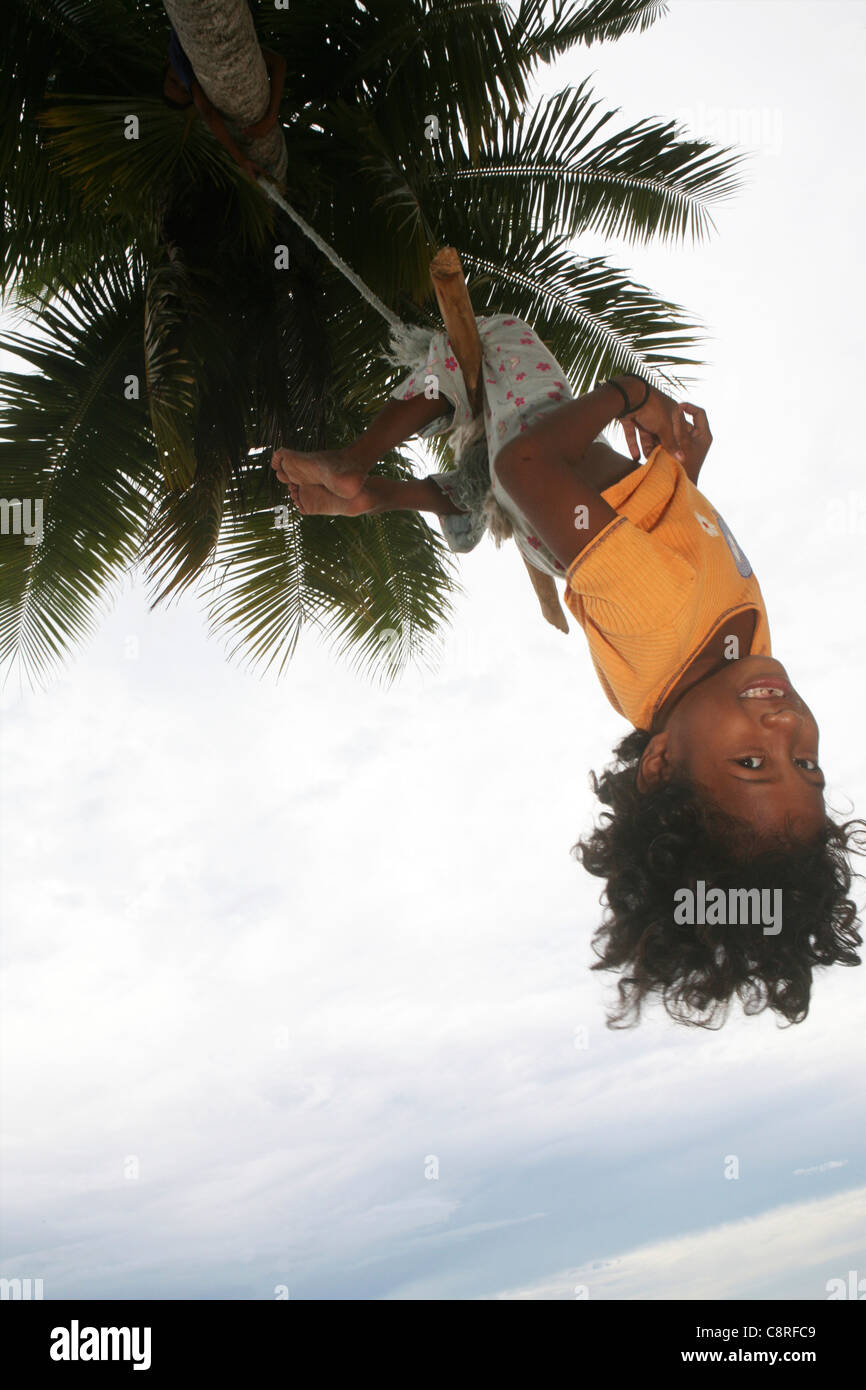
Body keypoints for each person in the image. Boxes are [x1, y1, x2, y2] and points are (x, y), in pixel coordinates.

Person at [271, 315, 864, 1030]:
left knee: (491, 345)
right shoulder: (713, 672)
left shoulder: (663, 620)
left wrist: (627, 393)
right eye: (807, 765)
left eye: (751, 761)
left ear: (665, 760)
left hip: (543, 472)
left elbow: (524, 469)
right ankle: (387, 498)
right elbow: (667, 547)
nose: (785, 726)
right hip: (572, 523)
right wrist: (684, 478)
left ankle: (355, 462)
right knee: (496, 484)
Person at [162, 28, 286, 183]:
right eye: (185, 91)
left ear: (167, 63)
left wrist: (240, 160)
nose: (182, 82)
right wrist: (271, 117)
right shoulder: (217, 70)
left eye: (174, 81)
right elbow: (277, 62)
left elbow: (208, 113)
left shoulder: (178, 55)